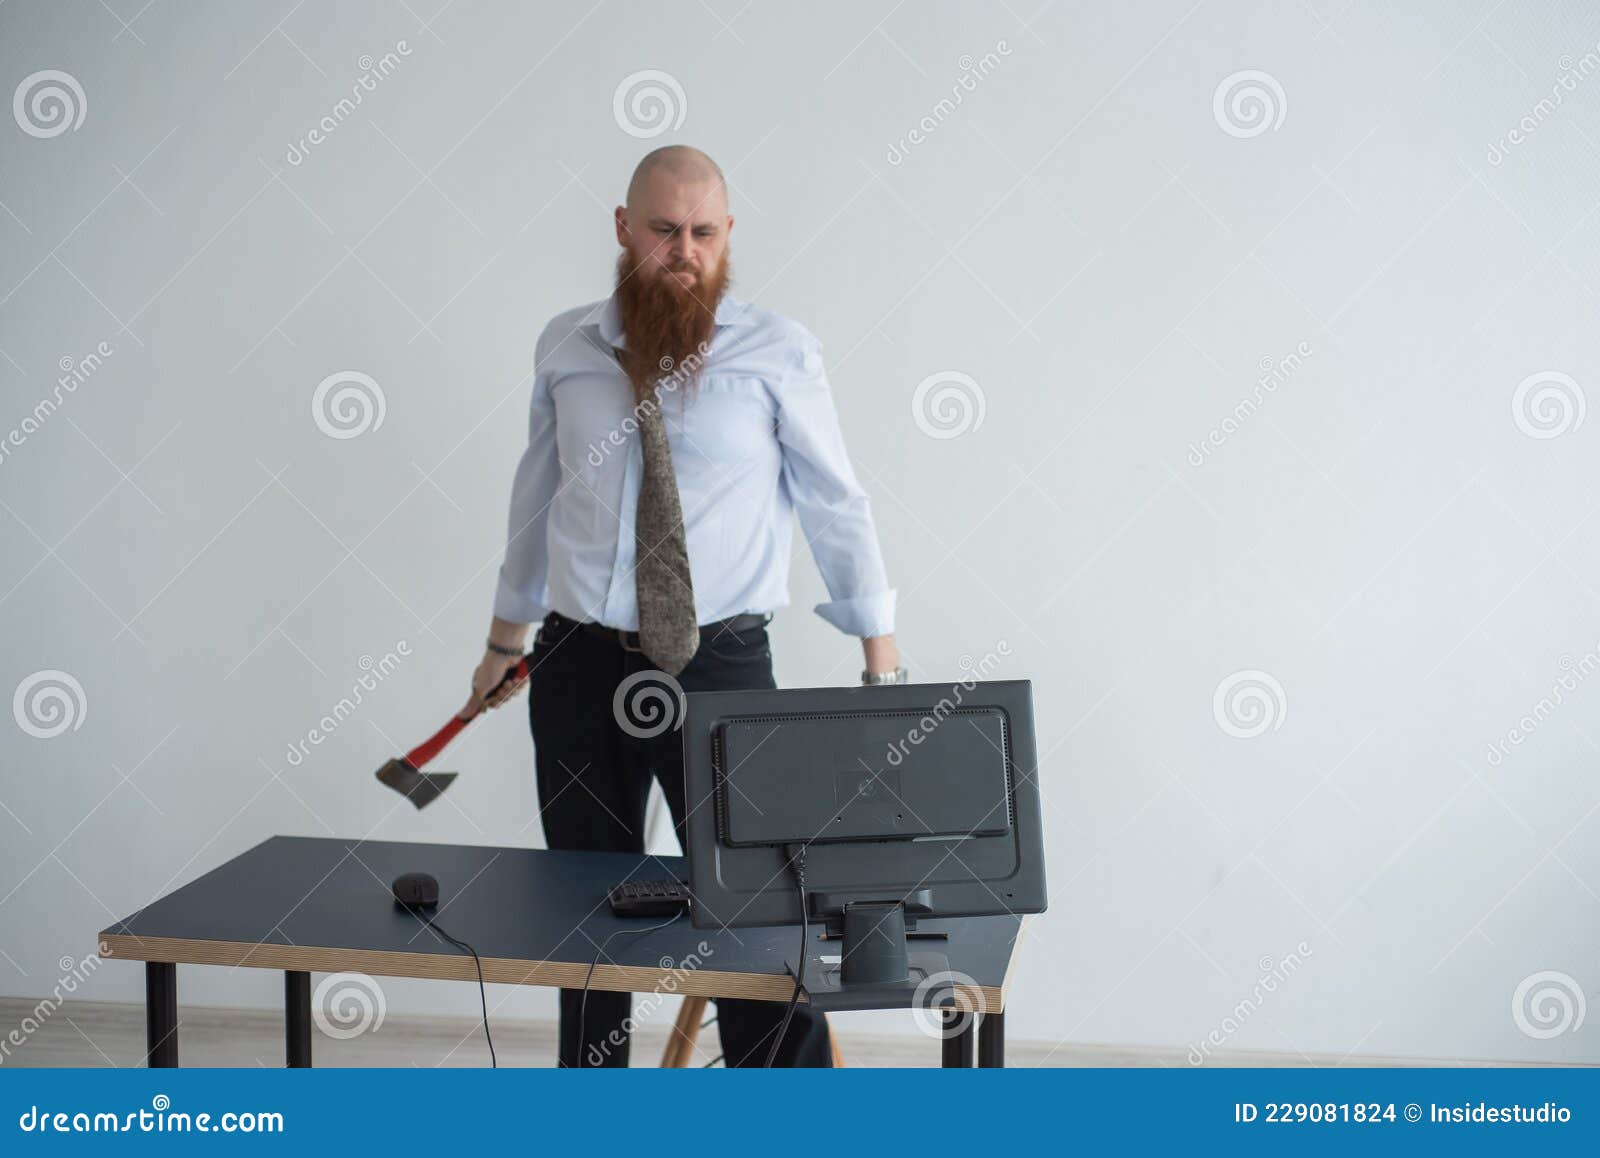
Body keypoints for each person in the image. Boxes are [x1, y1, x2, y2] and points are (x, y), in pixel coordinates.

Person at [468, 145, 905, 1068]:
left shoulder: (777, 350)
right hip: (579, 661)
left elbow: (836, 500)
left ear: (729, 237)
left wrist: (882, 660)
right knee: (586, 916)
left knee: (753, 918)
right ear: (624, 229)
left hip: (722, 669)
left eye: (704, 233)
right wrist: (506, 639)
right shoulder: (566, 346)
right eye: (665, 230)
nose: (684, 251)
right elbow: (535, 499)